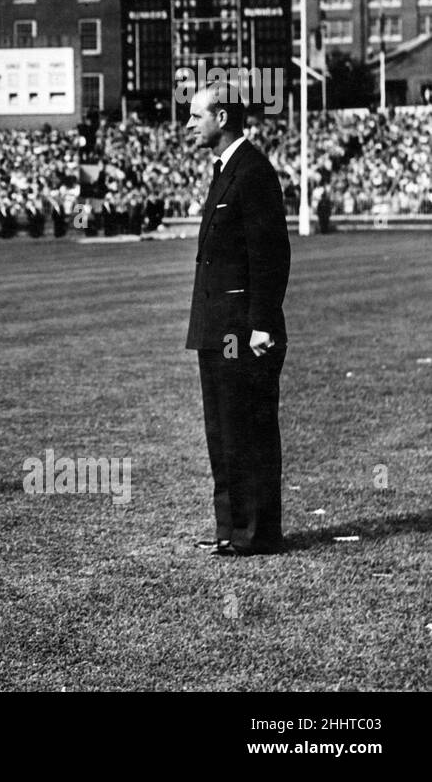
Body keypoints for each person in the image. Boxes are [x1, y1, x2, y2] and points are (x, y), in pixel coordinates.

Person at [184, 88, 291, 557]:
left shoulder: (252, 171)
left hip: (242, 329)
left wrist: (263, 322)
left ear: (221, 116)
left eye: (195, 116)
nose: (189, 125)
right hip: (217, 328)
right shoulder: (228, 169)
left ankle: (257, 532)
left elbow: (271, 253)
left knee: (248, 429)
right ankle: (230, 528)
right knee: (223, 431)